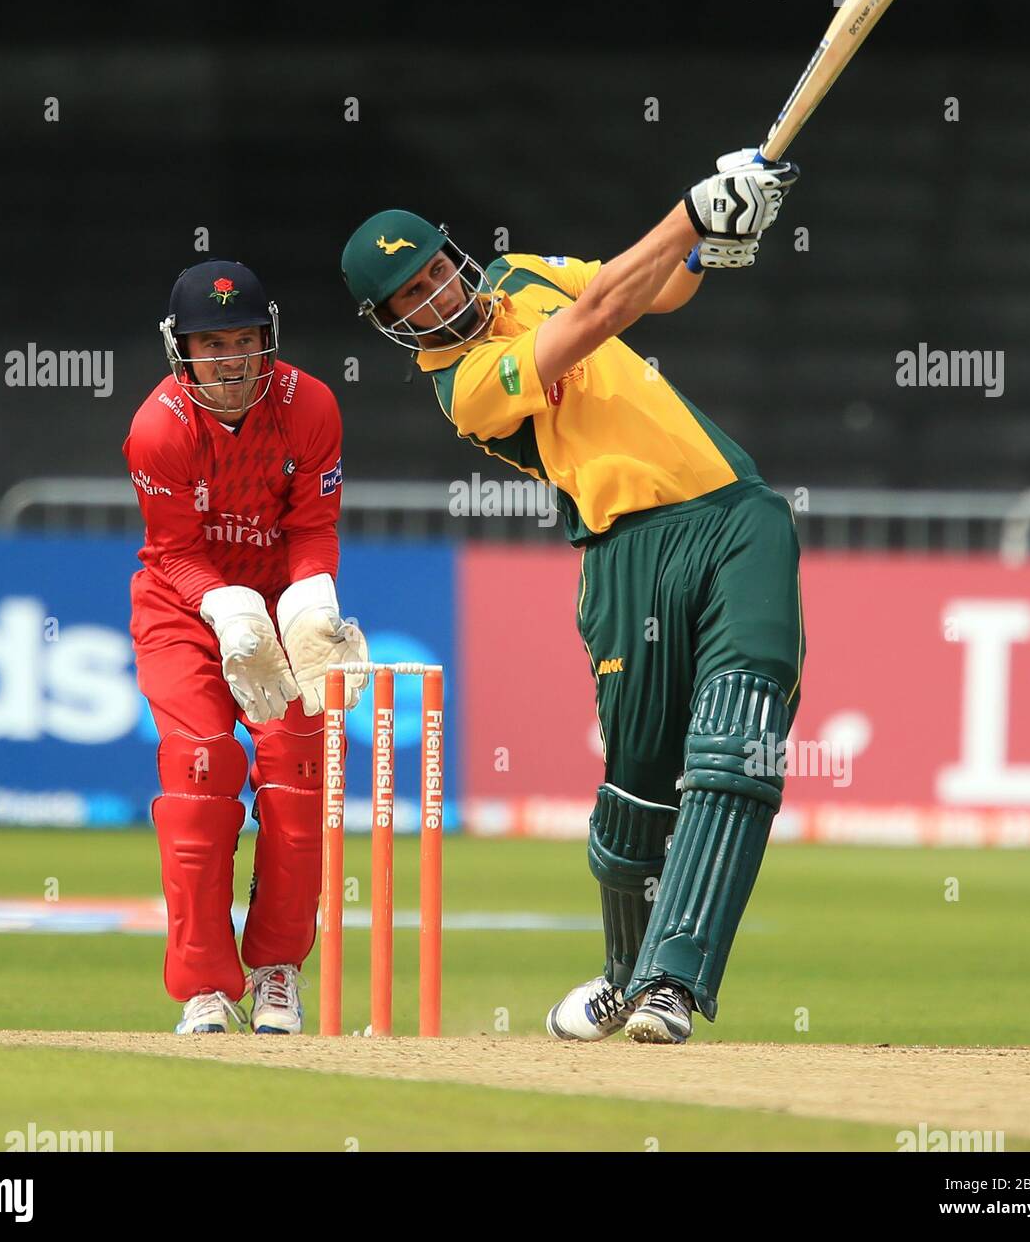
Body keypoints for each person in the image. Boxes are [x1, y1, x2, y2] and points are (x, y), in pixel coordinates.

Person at [341, 151, 805, 1044]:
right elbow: (602, 314)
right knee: (635, 796)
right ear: (393, 323)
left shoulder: (524, 274)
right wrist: (692, 210)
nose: (436, 292)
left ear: (455, 255)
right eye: (411, 295)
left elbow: (656, 292)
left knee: (737, 746)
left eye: (436, 268)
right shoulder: (464, 387)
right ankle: (626, 976)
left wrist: (713, 242)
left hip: (735, 514)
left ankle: (673, 982)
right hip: (624, 552)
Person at [124, 259, 367, 1034]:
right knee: (200, 766)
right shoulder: (159, 427)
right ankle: (202, 984)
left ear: (268, 341)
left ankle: (275, 973)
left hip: (277, 592)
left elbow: (310, 531)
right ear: (181, 350)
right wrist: (227, 610)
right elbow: (174, 549)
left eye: (242, 341)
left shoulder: (310, 407)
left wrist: (309, 611)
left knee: (300, 771)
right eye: (210, 344)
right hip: (184, 609)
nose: (229, 362)